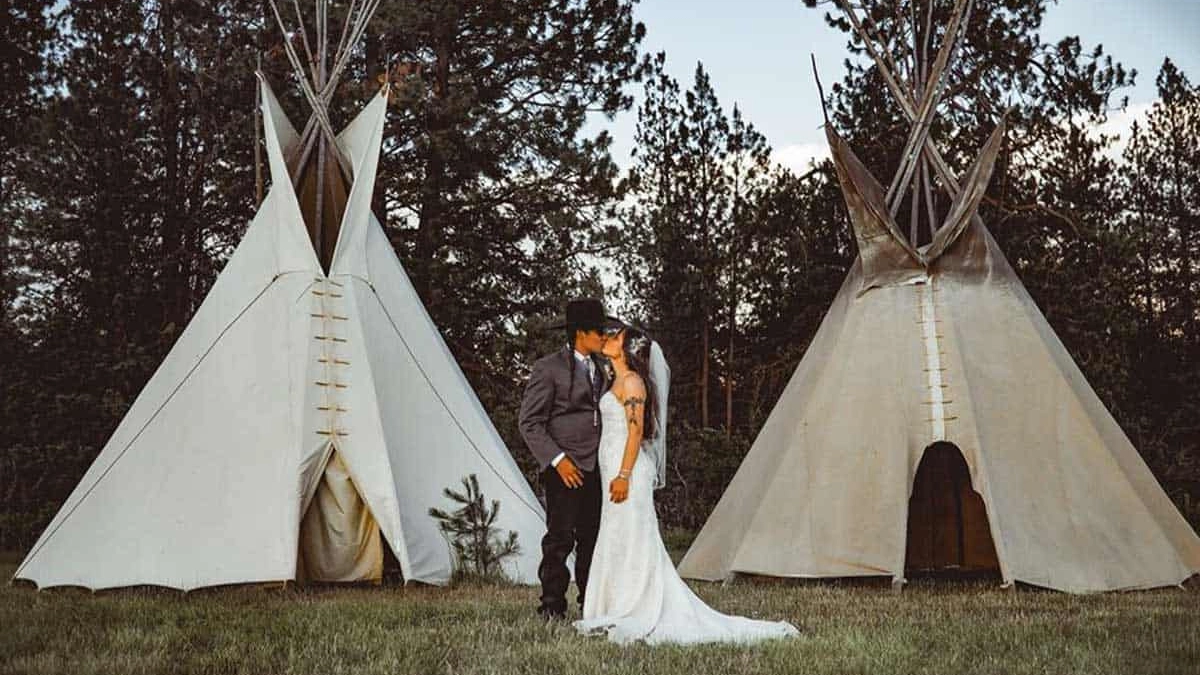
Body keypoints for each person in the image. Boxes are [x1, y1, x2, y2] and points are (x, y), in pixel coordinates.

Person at [574, 323, 800, 645]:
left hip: (627, 474)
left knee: (632, 537)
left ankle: (636, 607)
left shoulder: (633, 382)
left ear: (628, 349)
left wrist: (623, 475)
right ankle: (612, 606)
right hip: (612, 469)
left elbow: (635, 433)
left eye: (615, 337)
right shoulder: (614, 381)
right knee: (615, 536)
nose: (607, 340)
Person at [518, 298, 623, 620]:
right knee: (559, 539)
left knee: (592, 538)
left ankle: (590, 604)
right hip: (564, 468)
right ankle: (551, 606)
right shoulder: (547, 369)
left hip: (597, 466)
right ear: (581, 333)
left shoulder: (604, 367)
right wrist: (557, 459)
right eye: (599, 331)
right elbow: (529, 422)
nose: (604, 337)